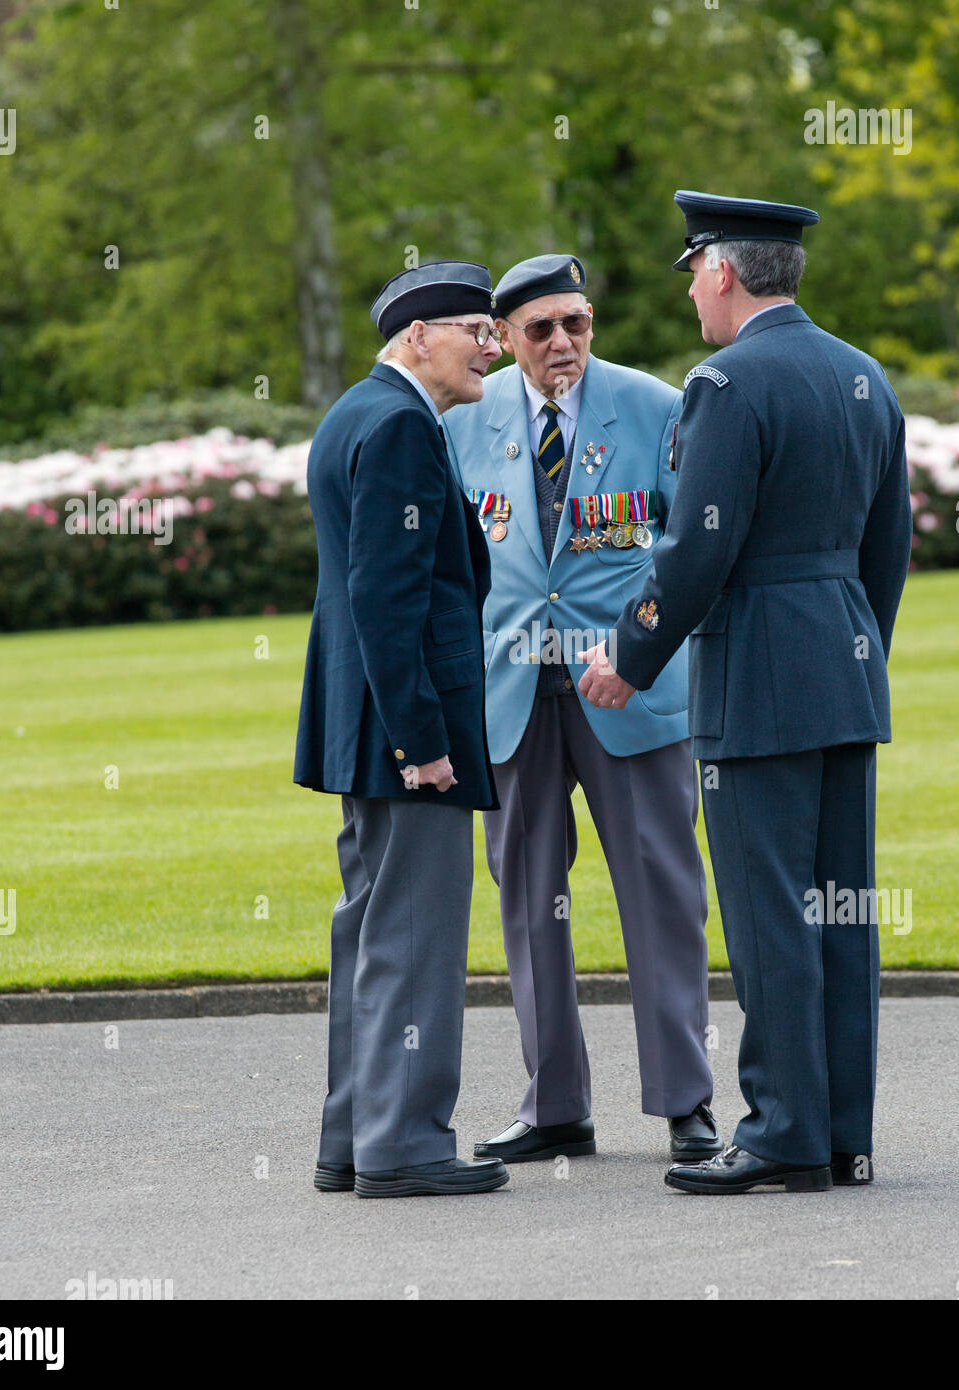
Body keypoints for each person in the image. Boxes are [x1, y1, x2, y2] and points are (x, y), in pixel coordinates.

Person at [580, 192, 912, 1194]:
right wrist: (855, 649)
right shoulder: (864, 375)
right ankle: (839, 1133)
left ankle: (779, 1134)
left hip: (759, 682)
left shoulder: (724, 382)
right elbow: (885, 548)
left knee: (769, 914)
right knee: (839, 911)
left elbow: (697, 546)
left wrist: (631, 654)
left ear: (722, 269)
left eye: (691, 268)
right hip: (842, 672)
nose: (688, 287)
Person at [442, 254, 721, 1165]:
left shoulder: (654, 405)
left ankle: (685, 1101)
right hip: (513, 692)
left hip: (626, 692)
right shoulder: (465, 419)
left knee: (663, 893)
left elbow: (689, 552)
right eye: (540, 330)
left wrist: (643, 653)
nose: (563, 343)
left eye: (577, 323)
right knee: (528, 902)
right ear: (502, 339)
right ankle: (553, 1101)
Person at [294, 260, 510, 1198]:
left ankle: (355, 1139)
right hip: (406, 734)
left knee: (374, 936)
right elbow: (389, 602)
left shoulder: (362, 412)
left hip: (369, 727)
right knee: (413, 940)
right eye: (477, 329)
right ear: (417, 336)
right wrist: (424, 743)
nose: (493, 349)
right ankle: (405, 1146)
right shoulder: (397, 428)